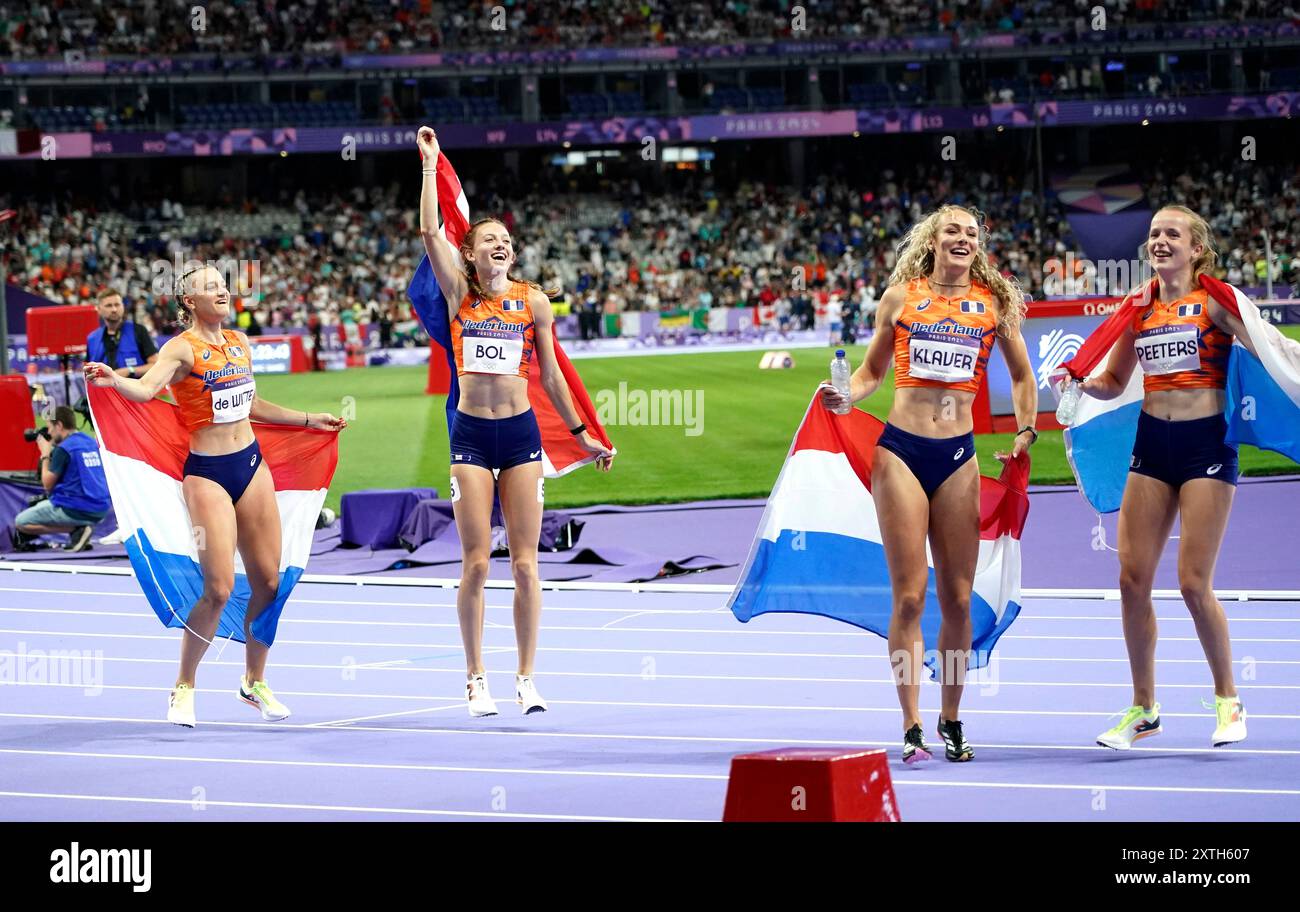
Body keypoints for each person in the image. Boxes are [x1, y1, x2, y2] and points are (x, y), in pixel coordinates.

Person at [818, 205, 1039, 764]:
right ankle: (912, 721)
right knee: (911, 595)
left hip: (958, 456)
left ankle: (952, 716)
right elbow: (870, 372)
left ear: (977, 245)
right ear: (933, 241)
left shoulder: (993, 305)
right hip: (900, 452)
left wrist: (1027, 429)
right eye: (952, 231)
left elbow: (1021, 375)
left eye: (971, 232)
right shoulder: (901, 297)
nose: (962, 238)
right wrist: (848, 396)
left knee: (959, 599)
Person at [83, 264, 347, 728]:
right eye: (210, 287)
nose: (223, 291)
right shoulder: (180, 348)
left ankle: (254, 681)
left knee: (269, 582)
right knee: (220, 588)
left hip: (251, 466)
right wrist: (112, 379)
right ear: (189, 301)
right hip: (206, 475)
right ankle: (184, 684)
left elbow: (253, 404)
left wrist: (309, 419)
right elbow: (146, 389)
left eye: (224, 285)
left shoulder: (239, 343)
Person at [417, 125, 614, 717]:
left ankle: (526, 676)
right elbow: (430, 229)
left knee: (526, 563)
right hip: (472, 437)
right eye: (488, 239)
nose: (500, 244)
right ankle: (476, 675)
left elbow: (552, 378)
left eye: (506, 239)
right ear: (471, 253)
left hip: (522, 437)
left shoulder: (533, 301)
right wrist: (430, 165)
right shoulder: (458, 294)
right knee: (477, 560)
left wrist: (585, 435)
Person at [1081, 206, 1251, 750]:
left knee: (1193, 583)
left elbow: (1266, 354)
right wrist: (1080, 383)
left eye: (1171, 234)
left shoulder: (1217, 302)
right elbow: (1113, 380)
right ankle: (1144, 707)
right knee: (1131, 581)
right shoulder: (1137, 309)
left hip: (1207, 445)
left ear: (1196, 248)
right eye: (1154, 233)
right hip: (1152, 445)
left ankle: (1228, 698)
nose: (1159, 240)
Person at [13, 406, 111, 553]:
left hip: (76, 508)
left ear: (59, 425)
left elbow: (47, 485)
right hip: (102, 507)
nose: (49, 433)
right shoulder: (90, 441)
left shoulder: (64, 448)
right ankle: (81, 529)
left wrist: (45, 454)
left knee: (21, 522)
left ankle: (78, 528)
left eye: (49, 428)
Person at [86, 288, 159, 381]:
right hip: (104, 392)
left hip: (134, 390)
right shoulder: (92, 339)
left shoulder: (138, 330)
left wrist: (130, 370)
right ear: (99, 309)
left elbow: (156, 365)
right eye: (109, 305)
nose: (114, 309)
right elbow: (87, 370)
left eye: (117, 304)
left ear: (123, 306)